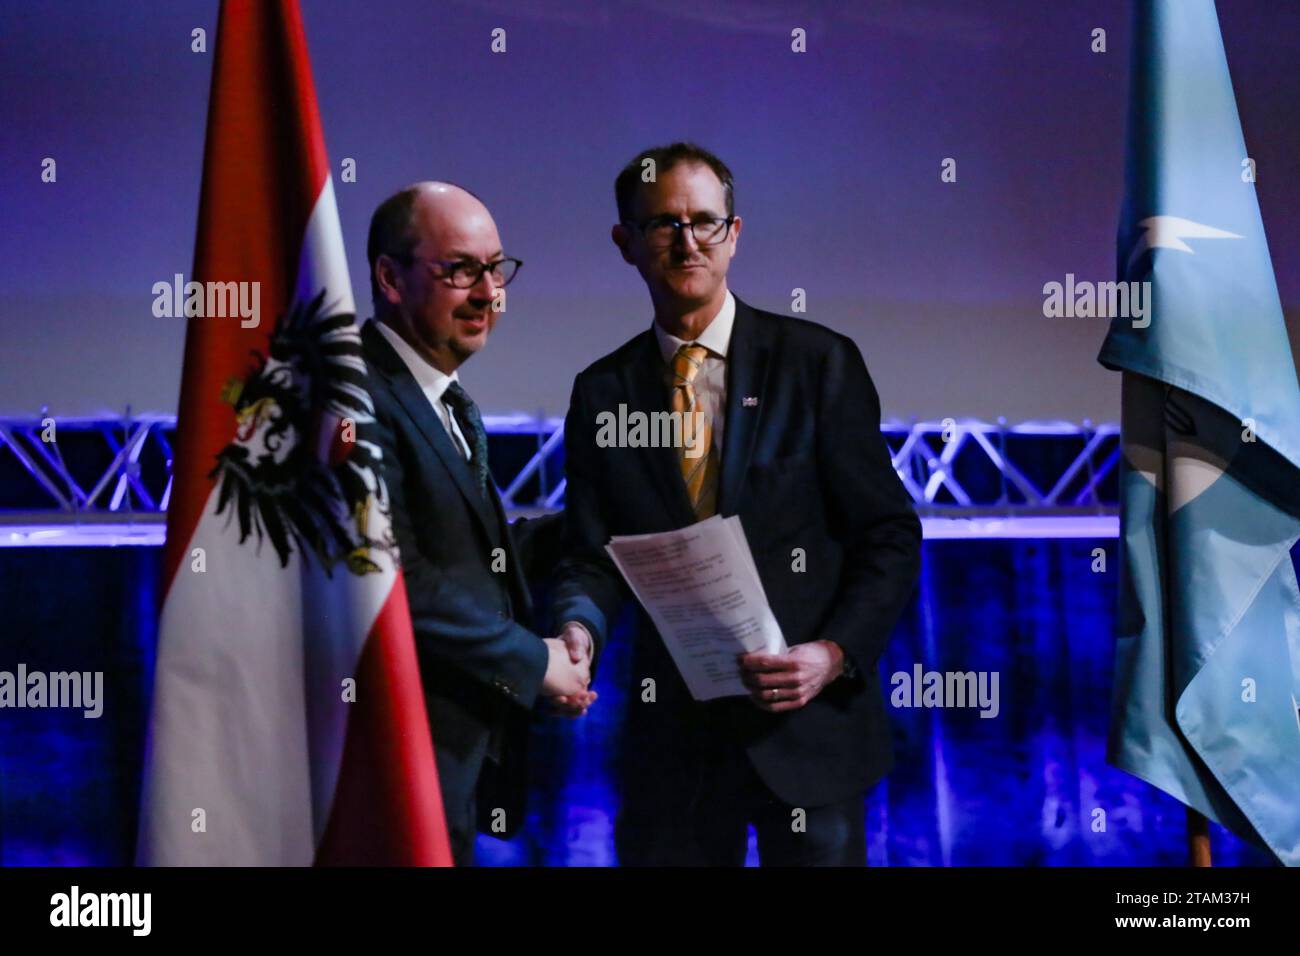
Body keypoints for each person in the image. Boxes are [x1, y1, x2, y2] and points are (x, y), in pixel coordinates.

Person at [551, 143, 922, 865]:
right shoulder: (601, 392)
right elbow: (590, 554)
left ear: (735, 233)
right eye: (662, 224)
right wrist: (578, 629)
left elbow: (889, 536)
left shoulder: (819, 364)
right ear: (625, 242)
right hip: (673, 747)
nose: (686, 241)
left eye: (705, 222)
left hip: (809, 732)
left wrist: (834, 653)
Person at [362, 181, 594, 865]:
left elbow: (469, 559)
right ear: (389, 277)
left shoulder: (439, 397)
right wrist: (533, 662)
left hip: (450, 767)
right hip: (392, 769)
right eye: (461, 269)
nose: (489, 293)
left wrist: (600, 521)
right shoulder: (353, 392)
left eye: (497, 269)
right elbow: (388, 578)